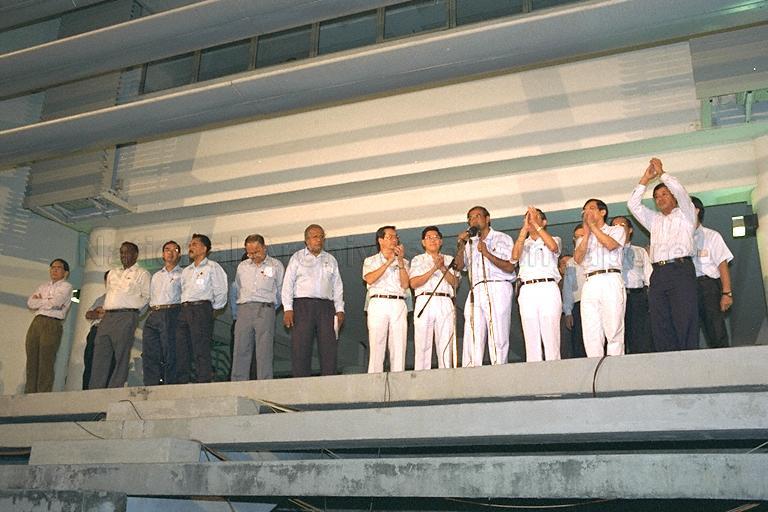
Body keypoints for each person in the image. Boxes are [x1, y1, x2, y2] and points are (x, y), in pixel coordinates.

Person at [628, 157, 698, 351]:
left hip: (681, 269)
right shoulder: (654, 220)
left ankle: (689, 361)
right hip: (658, 273)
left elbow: (681, 191)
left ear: (673, 197)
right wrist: (645, 178)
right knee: (660, 321)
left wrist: (662, 174)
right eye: (657, 197)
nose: (660, 199)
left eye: (665, 194)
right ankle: (668, 364)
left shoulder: (686, 214)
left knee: (685, 318)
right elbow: (633, 205)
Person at [455, 206, 516, 367]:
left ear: (488, 218)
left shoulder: (502, 238)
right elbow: (459, 266)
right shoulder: (470, 243)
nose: (473, 220)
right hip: (476, 288)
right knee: (472, 331)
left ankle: (499, 368)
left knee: (498, 331)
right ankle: (472, 369)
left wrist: (487, 253)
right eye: (470, 218)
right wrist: (461, 245)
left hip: (498, 286)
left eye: (477, 216)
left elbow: (510, 266)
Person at [283, 225, 345, 377]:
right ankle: (300, 383)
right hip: (302, 305)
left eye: (321, 236)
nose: (319, 240)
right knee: (301, 346)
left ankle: (329, 381)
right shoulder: (297, 258)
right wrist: (288, 308)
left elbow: (337, 286)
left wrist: (340, 309)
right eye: (315, 236)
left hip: (326, 307)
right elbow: (287, 284)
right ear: (306, 240)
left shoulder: (331, 260)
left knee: (328, 346)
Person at [89, 242, 151, 389]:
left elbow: (148, 297)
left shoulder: (142, 273)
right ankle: (95, 389)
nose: (124, 255)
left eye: (127, 252)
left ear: (135, 255)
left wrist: (134, 314)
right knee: (100, 353)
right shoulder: (112, 273)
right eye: (122, 252)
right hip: (107, 316)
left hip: (126, 316)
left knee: (121, 355)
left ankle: (114, 388)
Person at [573, 199, 626, 357]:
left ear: (603, 212)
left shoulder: (616, 230)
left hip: (610, 278)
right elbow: (577, 258)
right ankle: (594, 367)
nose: (587, 212)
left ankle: (615, 367)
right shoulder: (584, 238)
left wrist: (593, 227)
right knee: (591, 330)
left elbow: (610, 245)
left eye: (591, 208)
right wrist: (587, 234)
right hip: (590, 282)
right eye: (585, 210)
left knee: (613, 326)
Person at [512, 207, 561, 362]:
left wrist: (536, 225)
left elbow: (553, 247)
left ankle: (554, 367)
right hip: (527, 290)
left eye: (535, 216)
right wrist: (524, 229)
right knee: (530, 333)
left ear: (544, 222)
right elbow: (514, 257)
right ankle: (534, 371)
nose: (531, 219)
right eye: (527, 217)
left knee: (550, 332)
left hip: (548, 288)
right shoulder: (522, 242)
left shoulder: (554, 238)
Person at [177, 234, 228, 383]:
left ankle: (203, 381)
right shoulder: (186, 271)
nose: (190, 247)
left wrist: (212, 309)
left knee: (201, 348)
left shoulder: (213, 267)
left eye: (194, 244)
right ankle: (182, 381)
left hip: (201, 308)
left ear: (204, 248)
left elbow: (221, 290)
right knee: (181, 347)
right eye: (190, 245)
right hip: (184, 309)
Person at [231, 234, 283, 381]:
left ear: (264, 248)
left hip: (265, 309)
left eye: (256, 252)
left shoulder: (276, 265)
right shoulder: (242, 267)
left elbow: (280, 291)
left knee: (264, 349)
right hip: (244, 309)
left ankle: (265, 383)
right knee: (240, 348)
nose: (253, 256)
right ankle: (238, 384)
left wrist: (269, 307)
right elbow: (239, 288)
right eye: (250, 253)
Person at [409, 226, 460, 370]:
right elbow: (413, 283)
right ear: (423, 242)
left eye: (436, 237)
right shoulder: (417, 259)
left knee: (445, 343)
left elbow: (455, 282)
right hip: (424, 300)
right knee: (422, 344)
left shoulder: (450, 259)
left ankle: (446, 378)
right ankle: (421, 378)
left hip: (445, 301)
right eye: (429, 238)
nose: (433, 240)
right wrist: (434, 269)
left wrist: (443, 267)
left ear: (441, 241)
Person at [363, 226, 409, 373]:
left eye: (396, 237)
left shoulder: (405, 262)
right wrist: (389, 262)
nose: (394, 240)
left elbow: (405, 284)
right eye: (390, 237)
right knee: (377, 344)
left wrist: (400, 262)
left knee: (399, 344)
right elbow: (370, 279)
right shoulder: (370, 260)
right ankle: (374, 380)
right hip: (378, 302)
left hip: (398, 302)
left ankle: (398, 378)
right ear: (381, 240)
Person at [691, 196, 734, 348]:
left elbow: (722, 264)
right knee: (688, 330)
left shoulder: (712, 236)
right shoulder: (679, 238)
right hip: (686, 287)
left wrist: (726, 293)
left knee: (715, 328)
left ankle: (725, 364)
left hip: (707, 286)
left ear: (696, 211)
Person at [24, 259, 73, 393]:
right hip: (36, 322)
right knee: (32, 358)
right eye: (52, 267)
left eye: (58, 268)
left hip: (52, 323)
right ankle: (29, 393)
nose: (54, 270)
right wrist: (48, 301)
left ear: (66, 272)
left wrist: (41, 300)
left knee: (46, 359)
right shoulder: (42, 286)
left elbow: (57, 302)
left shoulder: (66, 286)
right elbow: (30, 303)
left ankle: (42, 394)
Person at [141, 241, 182, 385]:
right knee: (150, 351)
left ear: (179, 254)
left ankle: (170, 383)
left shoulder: (183, 274)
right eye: (167, 249)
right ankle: (150, 384)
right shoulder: (156, 275)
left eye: (174, 250)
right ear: (163, 254)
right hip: (154, 313)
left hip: (172, 312)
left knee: (170, 350)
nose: (170, 252)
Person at [611, 216, 653, 354]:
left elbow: (649, 277)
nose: (618, 228)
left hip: (637, 298)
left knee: (640, 338)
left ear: (630, 230)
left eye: (621, 225)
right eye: (614, 226)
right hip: (615, 298)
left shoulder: (640, 251)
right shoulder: (607, 252)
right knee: (617, 336)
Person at [561, 226, 587, 358]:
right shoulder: (571, 263)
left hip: (598, 302)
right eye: (577, 236)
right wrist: (568, 312)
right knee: (579, 342)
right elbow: (568, 289)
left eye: (583, 235)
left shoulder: (597, 256)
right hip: (578, 305)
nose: (580, 239)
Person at [82, 271, 109, 390]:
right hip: (95, 331)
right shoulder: (100, 298)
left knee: (105, 365)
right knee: (89, 361)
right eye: (107, 279)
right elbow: (88, 314)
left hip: (110, 333)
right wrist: (99, 314)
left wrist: (104, 313)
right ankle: (86, 392)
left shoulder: (122, 299)